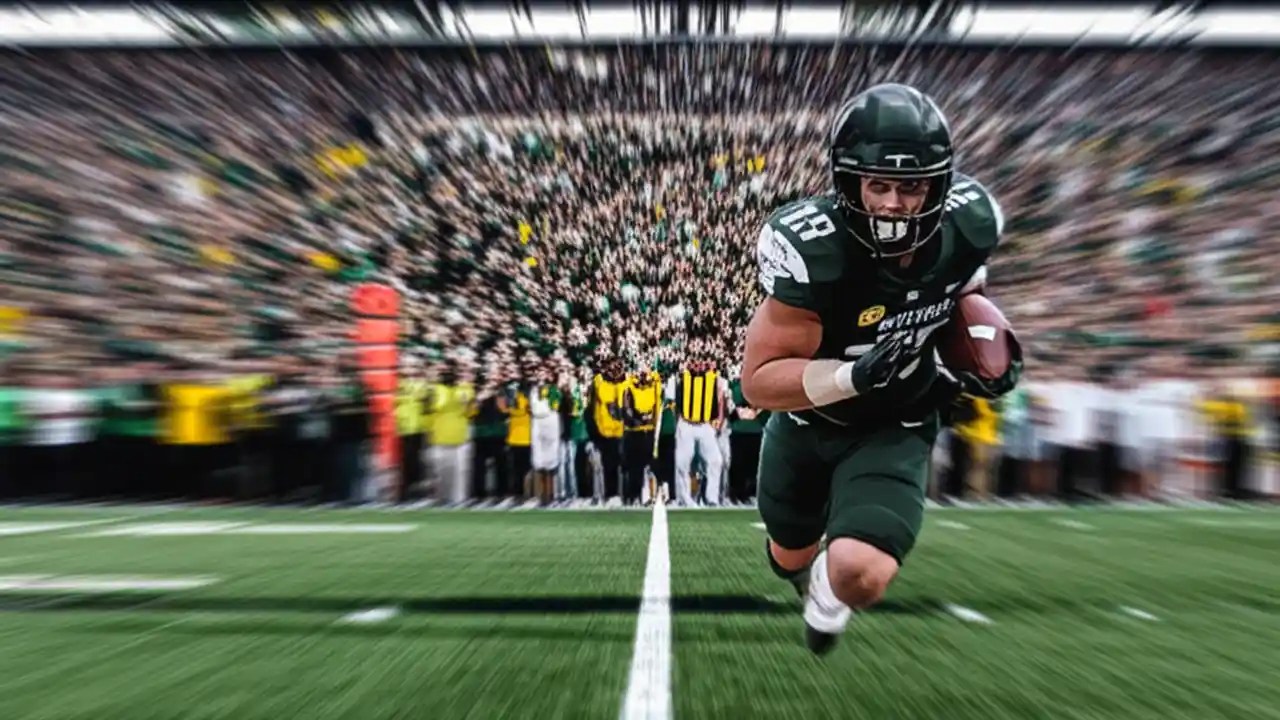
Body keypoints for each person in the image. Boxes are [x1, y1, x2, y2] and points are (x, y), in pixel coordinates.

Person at [739, 83, 1022, 655]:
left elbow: (960, 296)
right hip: (808, 422)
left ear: (938, 186)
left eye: (912, 187)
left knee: (859, 575)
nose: (894, 204)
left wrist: (983, 349)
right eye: (880, 185)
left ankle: (834, 583)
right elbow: (759, 381)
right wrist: (850, 377)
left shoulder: (969, 226)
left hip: (896, 421)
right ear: (851, 184)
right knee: (786, 553)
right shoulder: (813, 249)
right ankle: (806, 574)